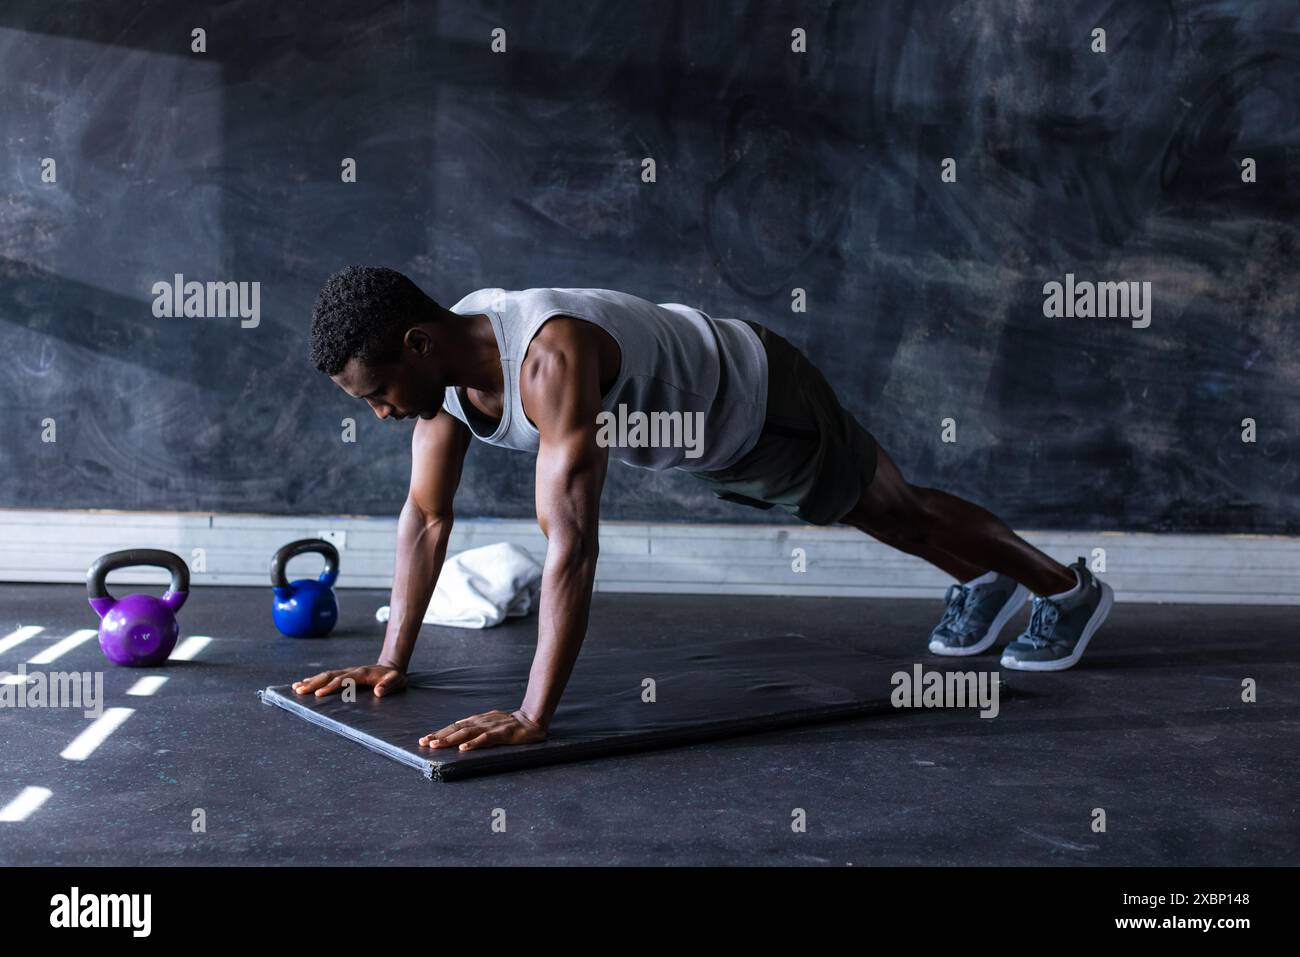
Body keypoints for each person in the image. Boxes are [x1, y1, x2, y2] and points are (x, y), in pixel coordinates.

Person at [293, 265, 1113, 752]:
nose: (381, 414)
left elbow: (572, 543)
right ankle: (985, 584)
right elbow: (426, 516)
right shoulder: (441, 377)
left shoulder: (549, 356)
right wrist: (391, 657)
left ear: (416, 346)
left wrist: (531, 713)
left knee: (892, 509)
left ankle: (1067, 589)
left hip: (756, 399)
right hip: (701, 439)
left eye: (377, 396)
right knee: (869, 511)